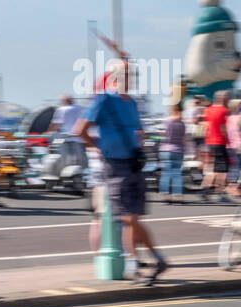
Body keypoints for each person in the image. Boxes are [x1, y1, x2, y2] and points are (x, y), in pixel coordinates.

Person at [76, 87, 168, 285]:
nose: (129, 78)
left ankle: (137, 264)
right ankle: (150, 260)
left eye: (130, 74)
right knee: (130, 218)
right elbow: (80, 129)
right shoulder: (103, 100)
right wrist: (97, 147)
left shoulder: (132, 102)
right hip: (118, 164)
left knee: (130, 217)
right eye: (125, 74)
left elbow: (139, 131)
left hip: (132, 163)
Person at [201, 91, 231, 201]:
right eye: (227, 98)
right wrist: (228, 141)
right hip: (220, 142)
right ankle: (220, 193)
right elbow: (223, 128)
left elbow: (206, 127)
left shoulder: (208, 110)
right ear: (223, 99)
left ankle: (205, 189)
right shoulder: (224, 110)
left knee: (211, 167)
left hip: (209, 142)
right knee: (222, 169)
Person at [47, 94, 87, 171]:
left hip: (64, 138)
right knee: (80, 160)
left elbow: (56, 124)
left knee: (64, 159)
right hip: (78, 138)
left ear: (64, 101)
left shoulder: (62, 109)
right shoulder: (81, 108)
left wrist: (49, 132)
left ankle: (63, 175)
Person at [158, 106, 186, 202]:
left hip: (165, 150)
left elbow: (162, 135)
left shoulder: (166, 121)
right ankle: (177, 195)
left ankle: (165, 194)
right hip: (178, 150)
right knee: (177, 174)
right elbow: (183, 138)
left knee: (166, 173)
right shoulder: (182, 123)